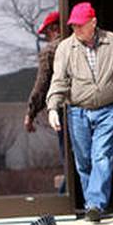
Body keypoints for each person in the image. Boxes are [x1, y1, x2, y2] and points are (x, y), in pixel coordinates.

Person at [46, 2, 113, 222]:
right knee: (84, 161)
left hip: (108, 109)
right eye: (73, 26)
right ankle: (92, 203)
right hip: (78, 111)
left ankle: (95, 204)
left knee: (102, 156)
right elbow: (59, 80)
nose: (76, 30)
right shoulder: (65, 48)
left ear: (93, 23)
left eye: (80, 25)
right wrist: (53, 108)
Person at [24, 10, 66, 193]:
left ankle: (63, 197)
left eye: (47, 33)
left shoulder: (50, 51)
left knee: (69, 160)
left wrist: (30, 114)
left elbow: (42, 85)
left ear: (55, 28)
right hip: (89, 107)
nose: (46, 38)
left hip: (64, 110)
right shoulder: (80, 46)